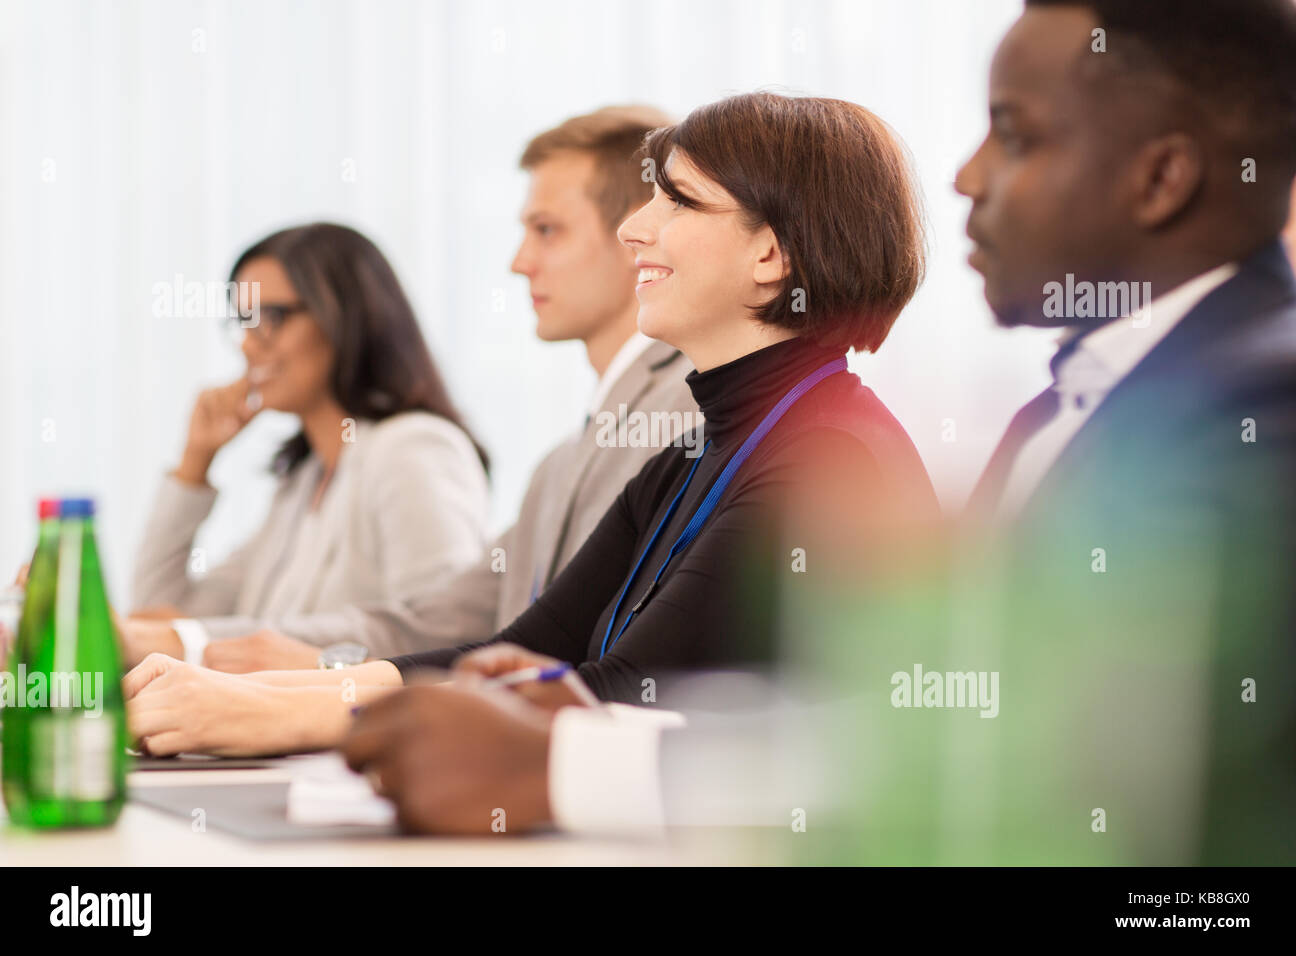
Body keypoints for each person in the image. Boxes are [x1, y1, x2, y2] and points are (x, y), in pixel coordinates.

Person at [354, 0, 1296, 852]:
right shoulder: (1061, 410)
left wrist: (562, 763)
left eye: (1012, 135)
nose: (966, 176)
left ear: (1163, 175)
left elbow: (1072, 769)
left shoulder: (1265, 405)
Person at [125, 91, 939, 755]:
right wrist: (244, 693)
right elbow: (536, 646)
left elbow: (617, 693)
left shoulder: (826, 452)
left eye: (678, 200)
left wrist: (279, 717)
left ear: (771, 257)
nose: (635, 229)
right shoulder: (698, 448)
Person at [121, 223, 490, 667]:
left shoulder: (412, 449)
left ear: (347, 316)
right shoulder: (303, 483)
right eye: (243, 321)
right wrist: (193, 464)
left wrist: (182, 639)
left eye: (271, 317)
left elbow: (444, 631)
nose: (249, 345)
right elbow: (163, 615)